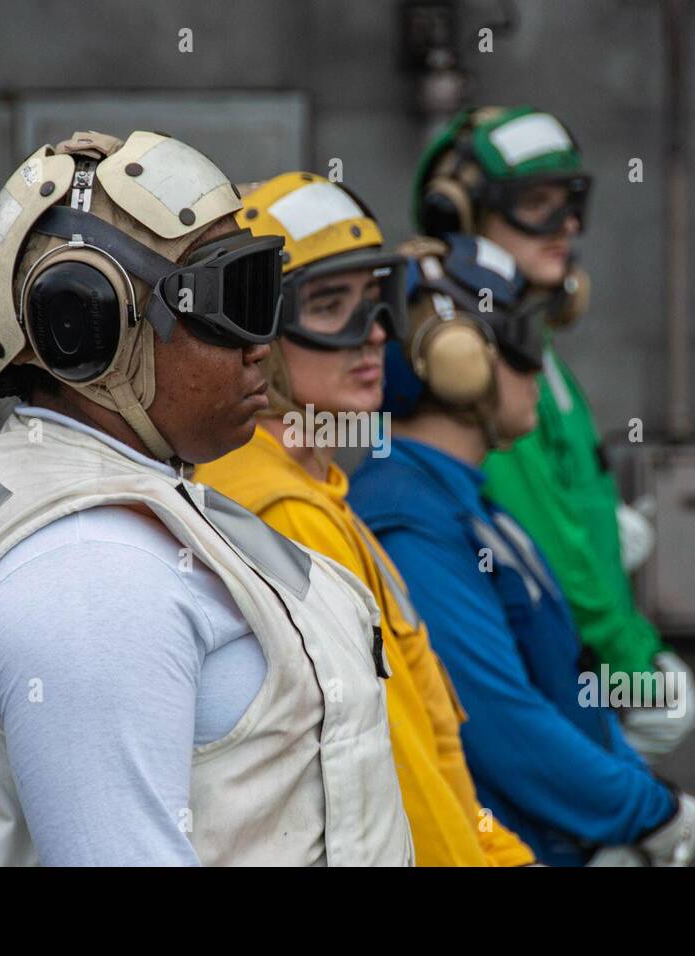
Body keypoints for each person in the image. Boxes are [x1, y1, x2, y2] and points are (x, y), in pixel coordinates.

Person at [0, 131, 413, 866]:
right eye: (229, 301)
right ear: (90, 327)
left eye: (263, 294)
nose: (260, 344)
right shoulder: (88, 577)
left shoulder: (135, 503)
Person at [196, 172, 535, 866]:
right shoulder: (287, 516)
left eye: (378, 303)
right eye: (329, 306)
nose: (374, 335)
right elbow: (399, 772)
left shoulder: (318, 490)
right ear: (258, 331)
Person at [349, 232, 695, 864]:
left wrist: (641, 792)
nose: (540, 365)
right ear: (462, 362)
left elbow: (561, 684)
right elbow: (498, 725)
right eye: (520, 339)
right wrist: (646, 809)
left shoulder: (468, 504)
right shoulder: (408, 519)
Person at [412, 105, 695, 757]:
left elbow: (568, 520)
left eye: (570, 203)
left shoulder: (534, 346)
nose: (566, 225)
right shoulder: (480, 362)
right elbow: (549, 551)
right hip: (557, 691)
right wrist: (634, 665)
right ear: (458, 216)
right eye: (534, 203)